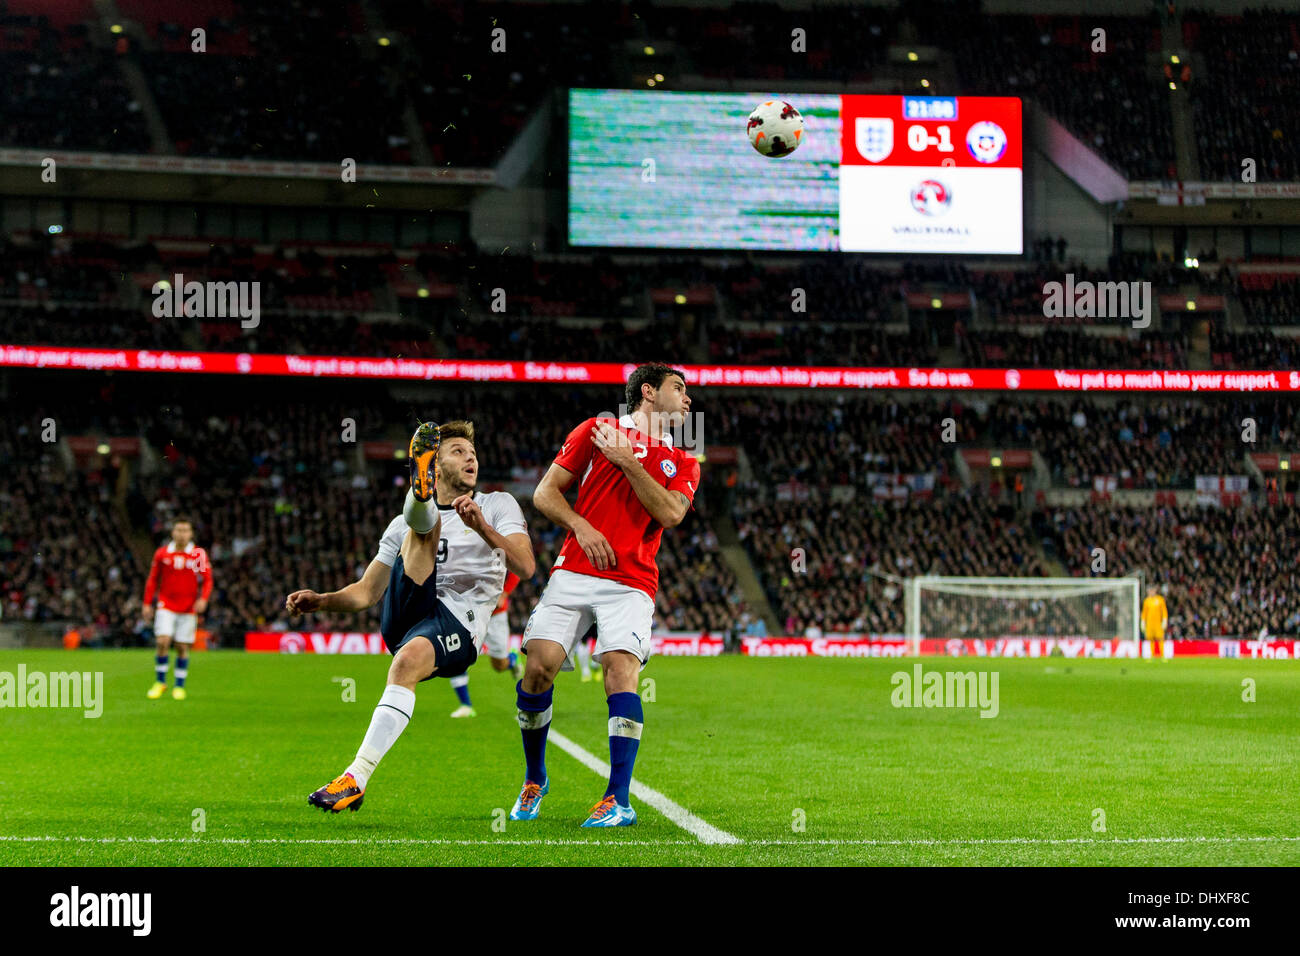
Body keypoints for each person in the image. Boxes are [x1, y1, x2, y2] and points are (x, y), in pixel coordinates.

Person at [292, 421, 534, 812]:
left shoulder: (497, 504)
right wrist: (321, 600)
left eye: (472, 453)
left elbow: (525, 566)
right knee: (416, 528)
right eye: (457, 452)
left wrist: (482, 527)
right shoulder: (395, 527)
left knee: (405, 664)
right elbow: (367, 593)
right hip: (407, 613)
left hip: (460, 617)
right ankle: (422, 504)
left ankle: (354, 778)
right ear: (436, 467)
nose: (470, 457)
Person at [508, 363, 699, 827]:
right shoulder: (597, 428)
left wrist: (629, 462)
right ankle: (535, 778)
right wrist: (581, 524)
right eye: (680, 388)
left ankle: (618, 799)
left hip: (632, 581)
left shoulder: (685, 460)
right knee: (538, 667)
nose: (689, 400)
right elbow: (545, 493)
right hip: (575, 568)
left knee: (619, 670)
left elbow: (672, 514)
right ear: (648, 392)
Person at [143, 516, 212, 701]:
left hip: (188, 607)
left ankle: (179, 686)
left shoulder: (197, 554)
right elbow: (152, 579)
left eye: (185, 530)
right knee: (163, 641)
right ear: (172, 532)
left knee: (182, 646)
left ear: (190, 533)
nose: (182, 534)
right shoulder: (163, 554)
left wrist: (203, 599)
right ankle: (160, 682)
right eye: (178, 530)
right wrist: (147, 603)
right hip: (166, 603)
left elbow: (206, 579)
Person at [449, 571, 524, 718]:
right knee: (457, 656)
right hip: (468, 612)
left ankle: (513, 659)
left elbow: (516, 570)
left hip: (495, 614)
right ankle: (466, 705)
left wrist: (505, 593)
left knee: (499, 665)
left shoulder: (497, 549)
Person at [1141, 586, 1169, 661]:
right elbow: (1144, 613)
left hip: (1158, 623)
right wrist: (1143, 622)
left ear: (1155, 591)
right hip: (1149, 624)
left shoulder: (1160, 599)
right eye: (1150, 591)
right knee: (1151, 639)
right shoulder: (1146, 601)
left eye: (1152, 590)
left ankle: (1163, 656)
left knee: (1161, 639)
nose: (1151, 592)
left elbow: (1164, 611)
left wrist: (1165, 620)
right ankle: (1152, 656)